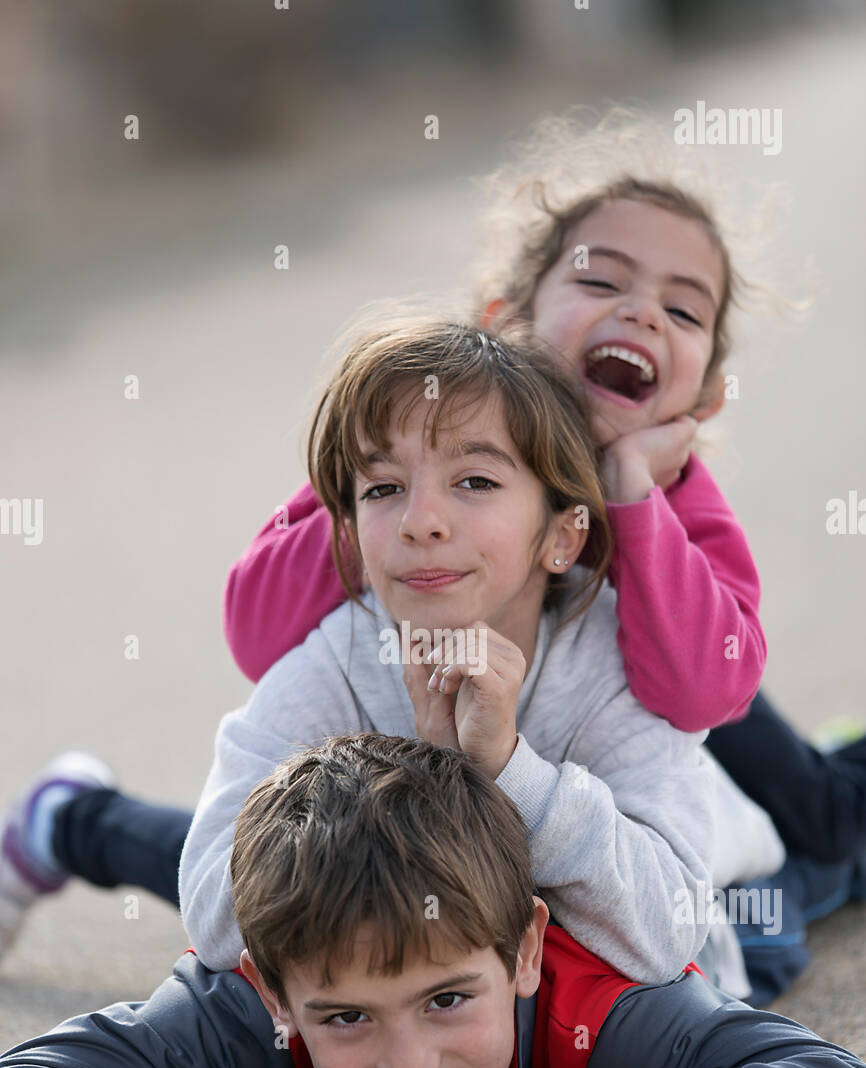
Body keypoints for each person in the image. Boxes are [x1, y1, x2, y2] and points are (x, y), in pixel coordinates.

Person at [1, 320, 785, 987]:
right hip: (450, 966)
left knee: (809, 878)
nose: (420, 521)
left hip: (730, 896)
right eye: (381, 490)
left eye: (474, 480)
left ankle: (73, 821)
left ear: (562, 534)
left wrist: (508, 769)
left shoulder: (617, 661)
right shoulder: (336, 661)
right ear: (347, 533)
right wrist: (405, 806)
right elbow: (214, 917)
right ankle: (69, 820)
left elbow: (665, 936)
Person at [1, 731, 864, 1068]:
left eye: (448, 1000)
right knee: (263, 886)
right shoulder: (239, 1008)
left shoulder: (610, 1001)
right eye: (346, 1017)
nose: (409, 1067)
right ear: (270, 995)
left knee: (811, 877)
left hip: (708, 893)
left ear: (526, 950)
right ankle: (71, 818)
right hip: (373, 892)